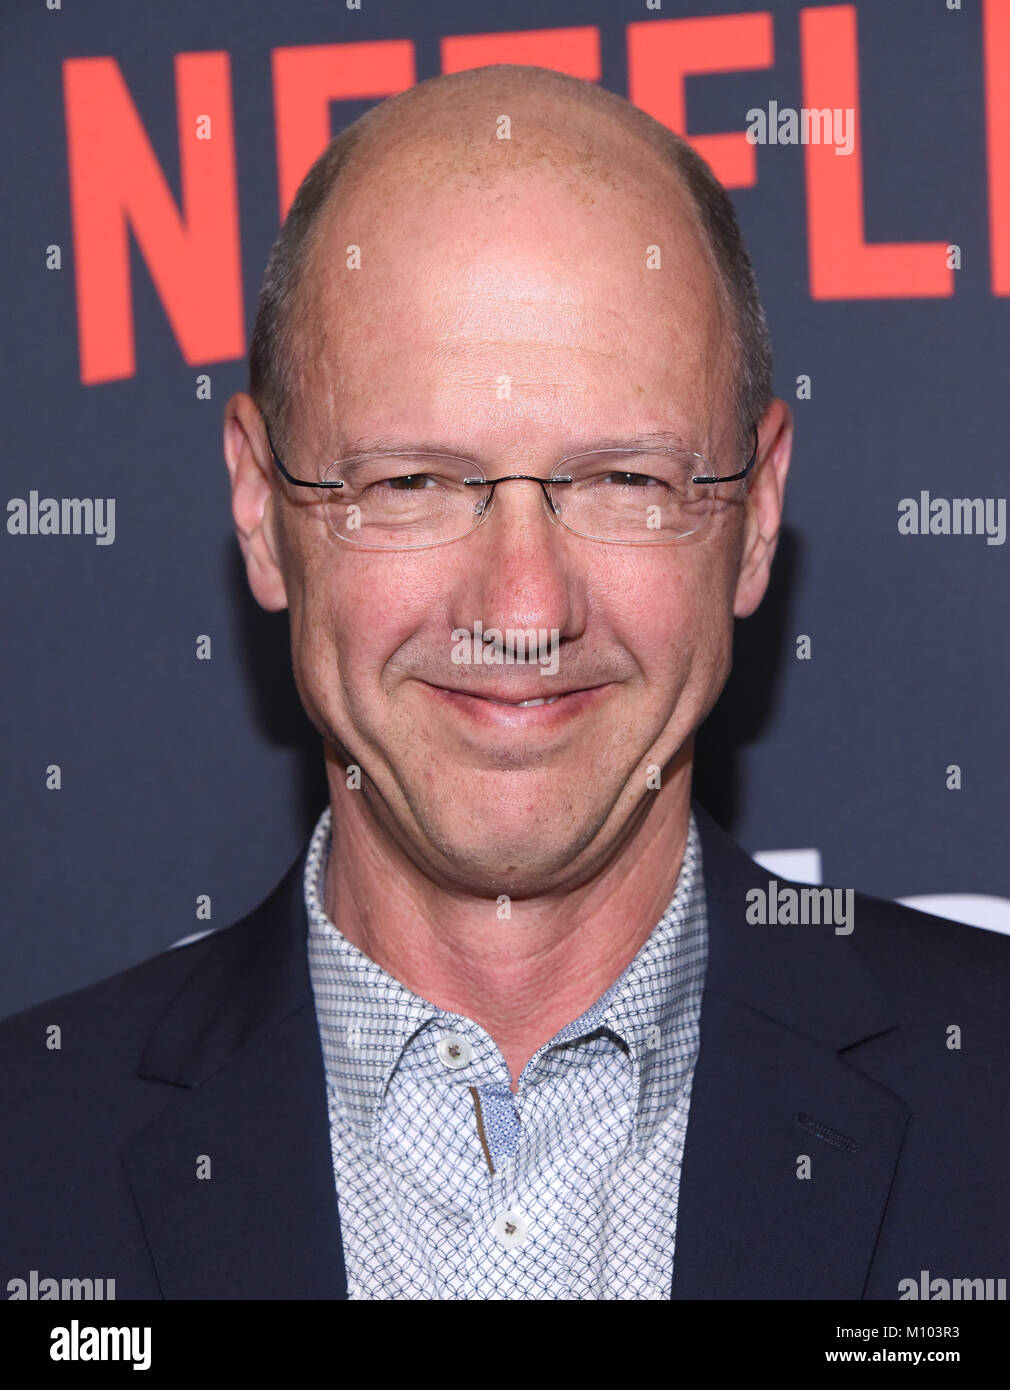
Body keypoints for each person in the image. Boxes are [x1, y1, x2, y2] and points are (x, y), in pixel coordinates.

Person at [2, 64, 1008, 1302]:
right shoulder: (27, 1163)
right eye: (414, 481)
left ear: (754, 516)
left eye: (624, 481)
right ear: (262, 510)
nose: (523, 611)